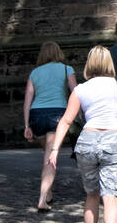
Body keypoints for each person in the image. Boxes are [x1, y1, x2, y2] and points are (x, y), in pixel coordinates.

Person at [48, 46, 117, 223]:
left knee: (91, 194)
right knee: (111, 195)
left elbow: (67, 120)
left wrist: (54, 150)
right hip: (113, 140)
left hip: (87, 141)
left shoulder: (80, 89)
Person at [23, 42, 77, 211]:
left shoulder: (35, 73)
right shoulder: (66, 69)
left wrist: (26, 125)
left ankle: (48, 192)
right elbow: (75, 93)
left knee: (47, 152)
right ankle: (42, 198)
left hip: (36, 115)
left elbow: (27, 101)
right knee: (50, 156)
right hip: (57, 114)